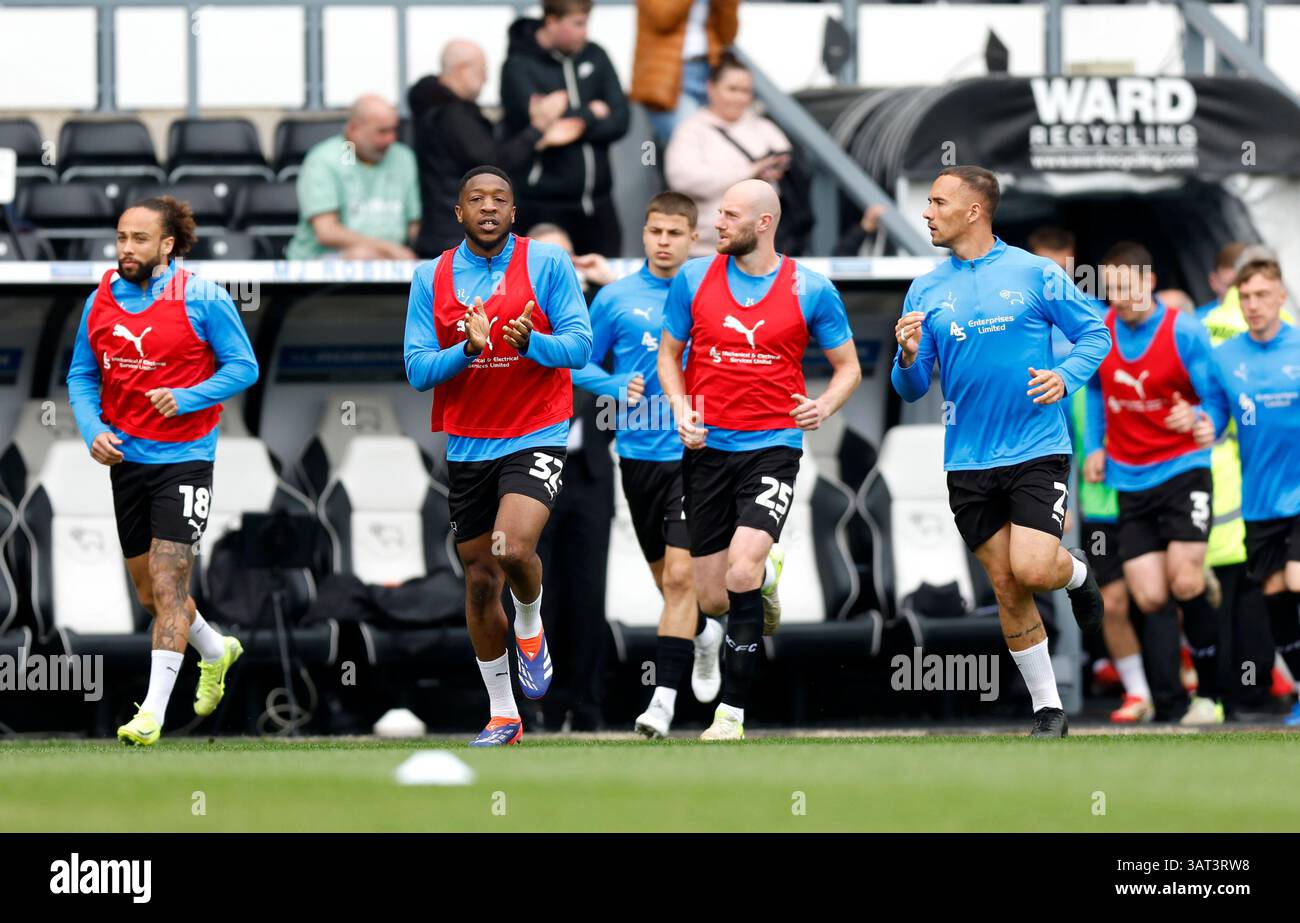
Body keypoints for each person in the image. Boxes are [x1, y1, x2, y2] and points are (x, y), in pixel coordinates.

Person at [892, 166, 1109, 739]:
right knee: (1007, 585)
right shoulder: (925, 288)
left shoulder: (1035, 272)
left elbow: (1096, 335)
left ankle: (1077, 572)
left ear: (974, 210)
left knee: (1034, 567)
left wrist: (1065, 376)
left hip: (1037, 448)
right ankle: (1049, 711)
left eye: (938, 201)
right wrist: (909, 356)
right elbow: (913, 388)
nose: (927, 212)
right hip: (967, 461)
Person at [658, 179, 861, 741]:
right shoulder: (695, 278)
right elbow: (668, 355)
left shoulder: (811, 288)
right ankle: (766, 580)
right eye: (716, 212)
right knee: (712, 595)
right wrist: (680, 408)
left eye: (728, 215)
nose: (716, 223)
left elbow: (848, 368)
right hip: (707, 450)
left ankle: (732, 714)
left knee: (741, 568)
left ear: (764, 223)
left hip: (773, 446)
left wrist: (821, 405)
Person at [403, 165, 592, 746]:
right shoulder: (430, 276)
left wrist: (530, 342)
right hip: (467, 443)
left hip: (536, 430)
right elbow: (416, 369)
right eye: (476, 199)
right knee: (481, 582)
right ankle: (504, 713)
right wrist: (467, 348)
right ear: (458, 212)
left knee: (513, 546)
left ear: (514, 213)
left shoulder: (549, 264)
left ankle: (531, 625)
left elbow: (580, 347)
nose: (488, 207)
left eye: (500, 199)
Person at [67, 196, 259, 746]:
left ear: (167, 245)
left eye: (139, 239)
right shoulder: (100, 299)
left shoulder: (201, 296)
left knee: (171, 583)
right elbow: (81, 376)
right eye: (121, 237)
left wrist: (189, 396)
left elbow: (244, 366)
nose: (127, 248)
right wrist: (91, 431)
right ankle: (216, 651)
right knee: (151, 596)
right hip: (127, 461)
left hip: (186, 460)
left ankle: (151, 714)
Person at [572, 191, 726, 738]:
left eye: (675, 234)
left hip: (697, 454)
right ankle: (706, 634)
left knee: (684, 577)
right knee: (673, 585)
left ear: (693, 238)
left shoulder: (713, 291)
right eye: (655, 232)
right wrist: (613, 385)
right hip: (636, 459)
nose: (664, 242)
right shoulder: (615, 298)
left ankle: (660, 704)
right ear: (645, 233)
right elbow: (575, 362)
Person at [1084, 241, 1227, 725]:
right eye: (1111, 290)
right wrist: (1096, 445)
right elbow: (1098, 391)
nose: (1119, 298)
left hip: (1183, 468)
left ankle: (1211, 694)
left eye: (1127, 288)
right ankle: (1171, 708)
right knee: (1148, 596)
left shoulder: (1184, 332)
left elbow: (1217, 399)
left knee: (1184, 581)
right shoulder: (1101, 330)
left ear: (1148, 282)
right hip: (1130, 477)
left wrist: (1204, 418)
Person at [1028, 227, 1150, 724]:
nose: (1058, 279)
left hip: (1116, 467)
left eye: (1066, 269)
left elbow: (1101, 395)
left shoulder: (1095, 322)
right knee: (1066, 571)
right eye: (1048, 270)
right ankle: (1085, 671)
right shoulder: (1023, 322)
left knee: (1152, 582)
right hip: (1057, 465)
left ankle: (1160, 679)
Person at [520, 221, 616, 731]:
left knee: (588, 591)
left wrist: (609, 281)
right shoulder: (520, 313)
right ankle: (536, 705)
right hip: (532, 466)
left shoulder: (597, 307)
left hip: (588, 472)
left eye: (568, 256)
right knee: (537, 592)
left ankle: (587, 703)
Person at [1201, 258, 1300, 725]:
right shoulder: (1226, 355)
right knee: (1276, 593)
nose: (1254, 305)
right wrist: (1204, 426)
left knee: (1296, 580)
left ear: (1282, 297)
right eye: (1247, 297)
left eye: (1263, 295)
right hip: (1260, 499)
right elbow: (1217, 413)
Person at [407, 40, 586, 257]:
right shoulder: (450, 115)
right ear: (462, 70)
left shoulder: (438, 110)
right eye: (482, 70)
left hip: (450, 232)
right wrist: (539, 127)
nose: (486, 78)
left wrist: (538, 139)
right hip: (456, 238)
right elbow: (492, 165)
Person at [500, 0, 630, 257]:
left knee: (603, 286)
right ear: (552, 22)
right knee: (546, 289)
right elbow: (531, 127)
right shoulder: (518, 66)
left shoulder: (596, 55)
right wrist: (593, 111)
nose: (585, 32)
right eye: (577, 24)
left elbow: (620, 120)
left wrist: (572, 124)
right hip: (545, 208)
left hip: (599, 205)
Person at [665, 54, 797, 257]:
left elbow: (784, 156)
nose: (740, 97)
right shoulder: (690, 130)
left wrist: (776, 168)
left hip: (760, 249)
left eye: (746, 91)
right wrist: (750, 171)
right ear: (711, 88)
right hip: (706, 250)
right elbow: (683, 179)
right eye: (732, 89)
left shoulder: (763, 127)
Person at [286, 95, 421, 260]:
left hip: (391, 265)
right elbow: (326, 232)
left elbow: (414, 224)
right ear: (353, 130)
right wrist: (387, 248)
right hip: (321, 264)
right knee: (362, 256)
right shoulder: (326, 158)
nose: (391, 139)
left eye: (394, 130)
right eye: (382, 131)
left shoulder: (403, 157)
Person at [629, 0, 740, 145]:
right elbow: (663, 18)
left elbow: (728, 34)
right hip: (670, 78)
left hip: (710, 71)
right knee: (690, 142)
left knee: (717, 144)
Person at [1195, 241, 1246, 320]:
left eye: (1247, 283)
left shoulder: (1269, 317)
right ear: (1214, 282)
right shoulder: (1196, 322)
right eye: (1233, 286)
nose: (1243, 291)